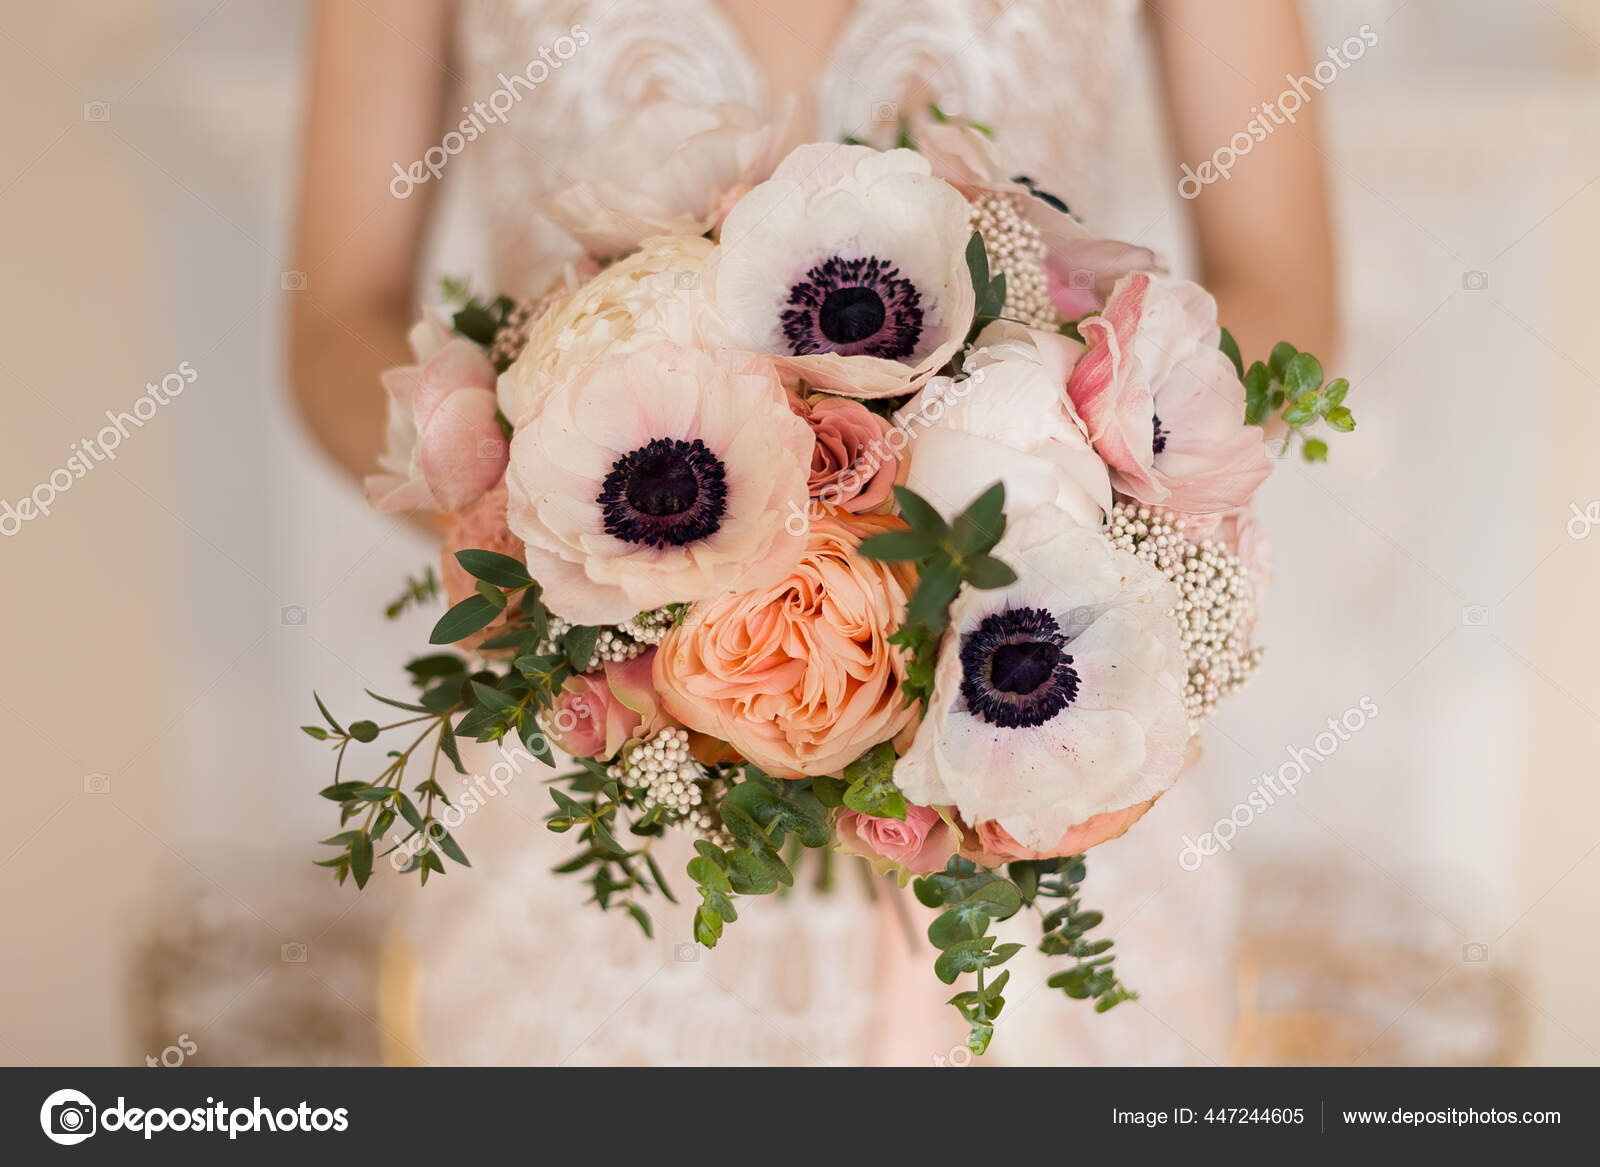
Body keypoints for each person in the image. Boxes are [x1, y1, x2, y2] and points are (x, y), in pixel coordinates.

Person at [288, 0, 1336, 1065]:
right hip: (594, 772)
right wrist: (563, 513)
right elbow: (335, 316)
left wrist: (1049, 494)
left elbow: (1285, 292)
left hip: (1034, 718)